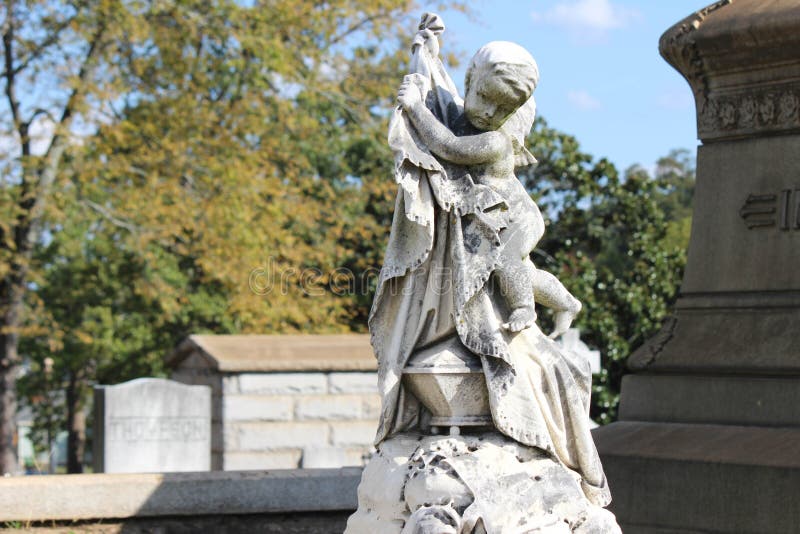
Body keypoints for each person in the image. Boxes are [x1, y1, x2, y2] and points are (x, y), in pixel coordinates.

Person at [397, 41, 581, 336]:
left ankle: (524, 308)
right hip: (498, 215)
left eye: (503, 109)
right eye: (484, 97)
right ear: (470, 81)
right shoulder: (461, 115)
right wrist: (427, 55)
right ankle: (567, 302)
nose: (489, 113)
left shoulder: (495, 141)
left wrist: (416, 108)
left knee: (506, 260)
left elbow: (448, 146)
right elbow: (442, 96)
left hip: (518, 216)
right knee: (523, 272)